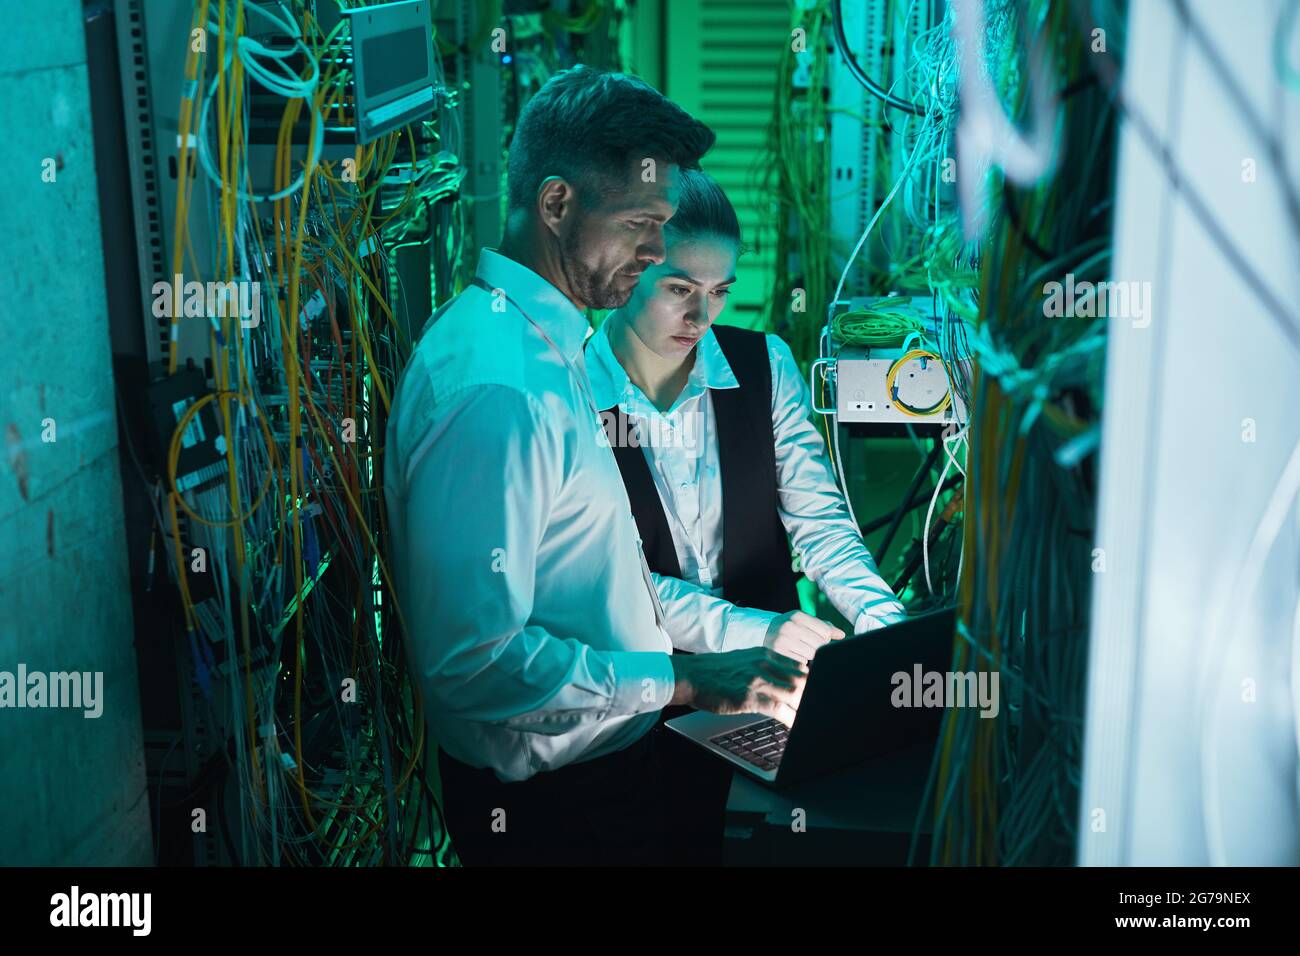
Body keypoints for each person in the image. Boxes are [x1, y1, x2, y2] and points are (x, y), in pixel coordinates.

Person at [383, 66, 833, 866]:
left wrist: (736, 649)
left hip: (601, 775)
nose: (656, 249)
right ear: (557, 204)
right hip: (556, 810)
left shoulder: (544, 348)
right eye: (639, 223)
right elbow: (474, 663)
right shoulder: (499, 388)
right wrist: (684, 682)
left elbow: (594, 577)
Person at [585, 168, 908, 671]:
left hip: (774, 678)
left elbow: (820, 524)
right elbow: (609, 580)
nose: (701, 316)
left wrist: (885, 623)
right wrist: (760, 631)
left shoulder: (764, 366)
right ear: (622, 273)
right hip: (644, 686)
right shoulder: (575, 393)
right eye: (679, 289)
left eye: (719, 292)